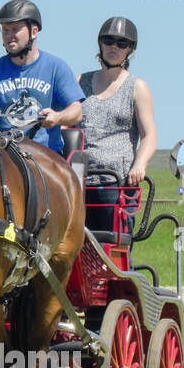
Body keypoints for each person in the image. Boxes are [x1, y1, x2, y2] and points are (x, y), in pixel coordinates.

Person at [77, 16, 157, 235]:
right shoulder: (80, 82)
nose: (114, 47)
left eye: (122, 43)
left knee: (113, 247)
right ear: (100, 44)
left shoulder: (136, 87)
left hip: (116, 182)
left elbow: (149, 134)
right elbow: (67, 125)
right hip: (79, 179)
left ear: (130, 49)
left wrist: (139, 165)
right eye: (109, 41)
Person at [0, 0, 83, 154]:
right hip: (5, 153)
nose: (9, 35)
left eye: (14, 29)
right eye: (5, 30)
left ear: (34, 31)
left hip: (46, 156)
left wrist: (58, 117)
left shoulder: (56, 67)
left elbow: (77, 112)